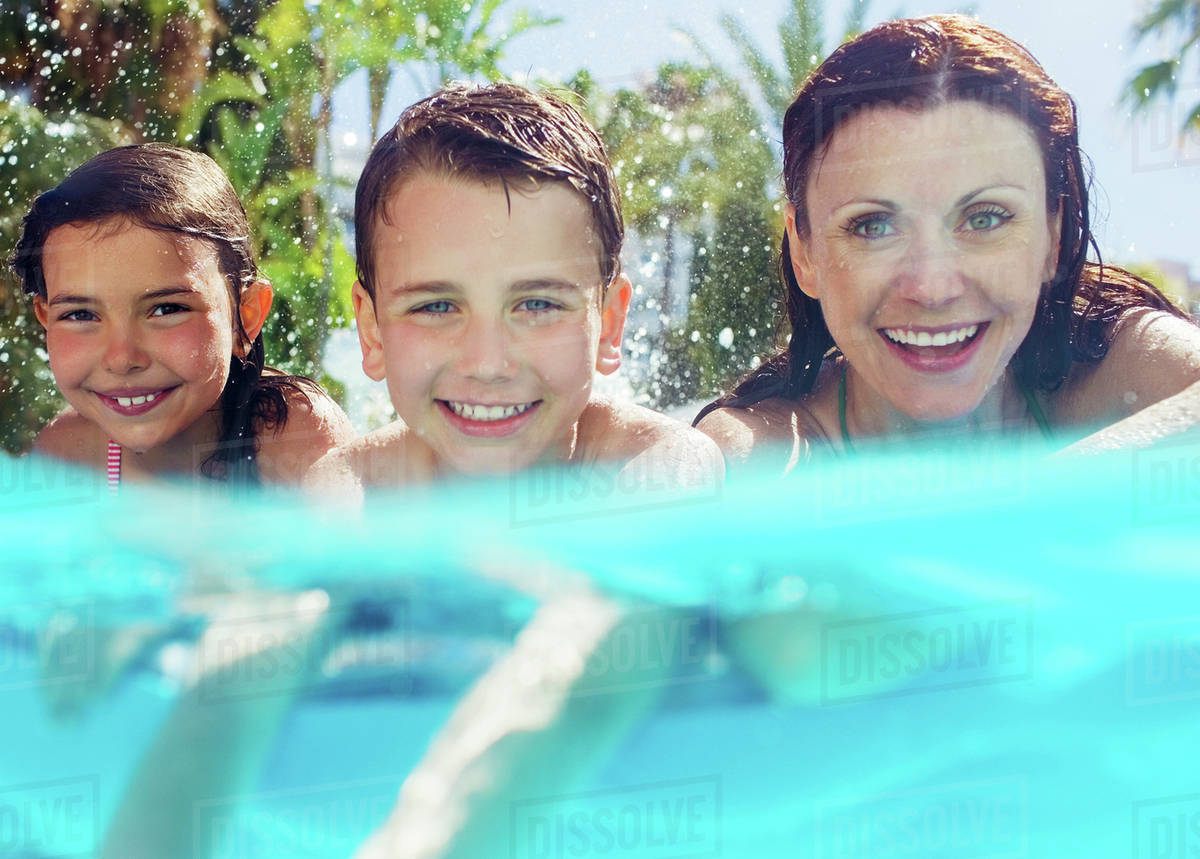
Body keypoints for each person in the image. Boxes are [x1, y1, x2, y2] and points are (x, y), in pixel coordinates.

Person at [695, 14, 1200, 473]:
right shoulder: (766, 456)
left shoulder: (1122, 374)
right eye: (873, 226)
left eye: (984, 218)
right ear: (804, 254)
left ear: (1055, 236)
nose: (932, 287)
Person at [307, 82, 722, 494]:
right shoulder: (350, 490)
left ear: (610, 324)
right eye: (435, 307)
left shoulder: (658, 464)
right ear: (372, 331)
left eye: (537, 304)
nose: (487, 364)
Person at [12, 143, 354, 486]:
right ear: (45, 317)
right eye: (81, 315)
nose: (121, 359)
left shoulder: (293, 438)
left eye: (166, 309)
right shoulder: (68, 456)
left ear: (244, 316)